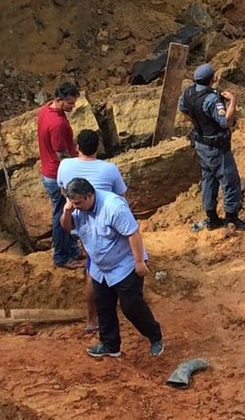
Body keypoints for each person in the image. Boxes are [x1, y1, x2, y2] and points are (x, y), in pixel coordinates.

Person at [61, 178, 165, 359]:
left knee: (131, 306)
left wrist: (139, 262)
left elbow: (132, 233)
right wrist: (67, 212)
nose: (75, 206)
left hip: (124, 265)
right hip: (100, 268)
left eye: (78, 203)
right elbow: (66, 227)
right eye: (73, 202)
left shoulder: (113, 206)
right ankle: (110, 345)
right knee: (103, 305)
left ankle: (155, 337)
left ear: (89, 196)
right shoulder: (75, 208)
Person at [57, 129, 128, 334]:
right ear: (98, 147)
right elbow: (122, 197)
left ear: (77, 147)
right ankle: (118, 305)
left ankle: (91, 319)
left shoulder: (65, 165)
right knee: (105, 269)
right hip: (105, 222)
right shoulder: (109, 169)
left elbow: (64, 191)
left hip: (81, 224)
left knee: (93, 269)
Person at [178, 63, 245, 231]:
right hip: (216, 147)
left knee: (209, 179)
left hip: (200, 144)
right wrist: (232, 101)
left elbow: (183, 109)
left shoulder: (189, 92)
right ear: (212, 79)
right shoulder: (212, 99)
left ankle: (212, 218)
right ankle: (231, 219)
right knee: (230, 180)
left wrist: (198, 123)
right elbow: (226, 122)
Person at [38, 81, 82, 268]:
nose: (73, 107)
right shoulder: (58, 124)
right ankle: (61, 257)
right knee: (61, 216)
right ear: (58, 99)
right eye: (70, 103)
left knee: (66, 213)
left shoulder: (45, 110)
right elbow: (61, 155)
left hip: (48, 170)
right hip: (57, 175)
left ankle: (72, 249)